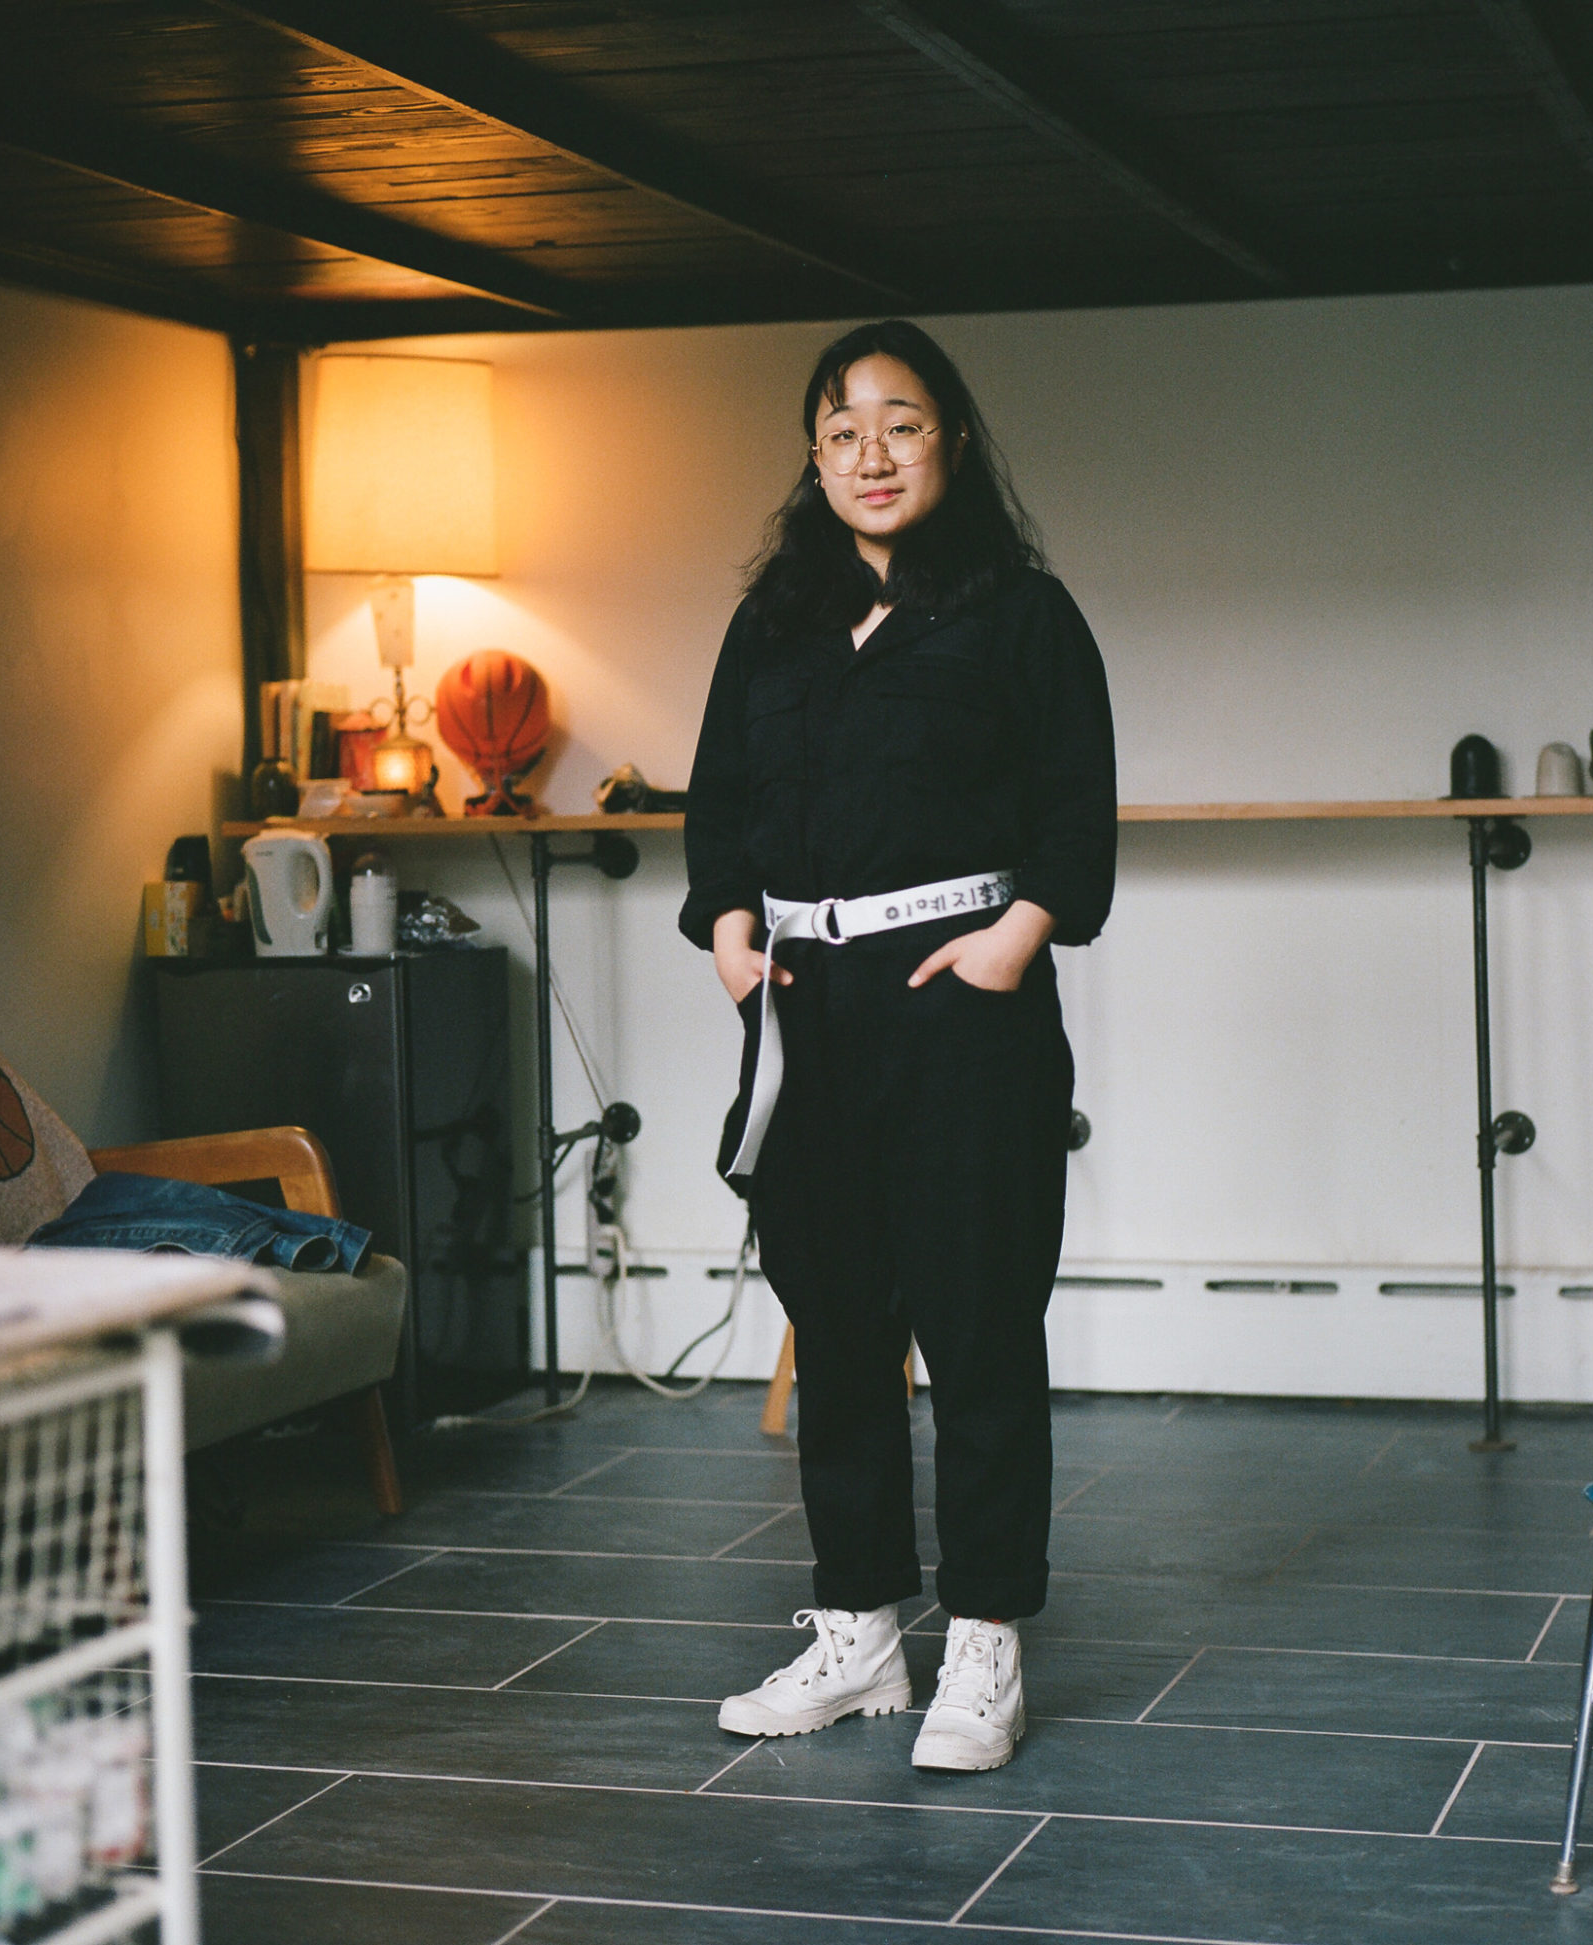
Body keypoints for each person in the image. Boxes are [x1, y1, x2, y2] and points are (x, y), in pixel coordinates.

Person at [678, 319, 1115, 1772]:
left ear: (955, 440)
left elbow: (1077, 807)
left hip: (962, 1013)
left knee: (981, 1326)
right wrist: (732, 926)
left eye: (902, 424)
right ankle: (860, 1629)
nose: (872, 454)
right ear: (814, 458)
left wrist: (1013, 936)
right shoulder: (775, 620)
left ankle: (983, 1649)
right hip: (804, 1013)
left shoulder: (1021, 613)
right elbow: (719, 801)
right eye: (843, 430)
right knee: (841, 1329)